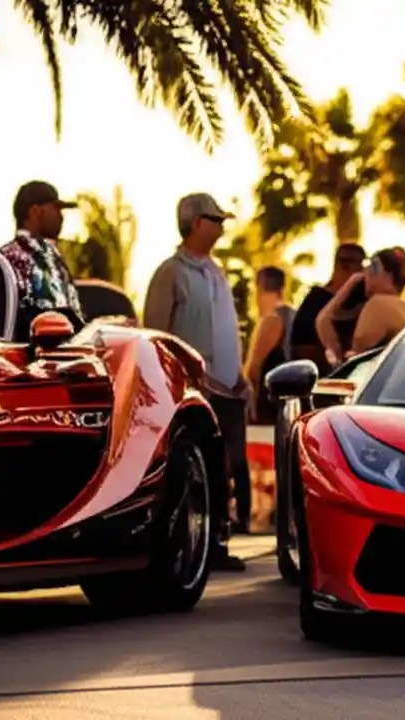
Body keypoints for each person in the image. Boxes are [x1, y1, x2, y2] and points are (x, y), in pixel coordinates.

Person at [143, 192, 249, 568]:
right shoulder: (172, 272)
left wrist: (241, 375)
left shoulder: (216, 272)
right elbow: (157, 333)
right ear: (196, 223)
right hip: (195, 392)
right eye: (215, 219)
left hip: (227, 389)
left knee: (226, 471)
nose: (221, 226)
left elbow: (226, 329)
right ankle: (190, 548)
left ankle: (217, 542)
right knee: (195, 472)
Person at [0, 180, 85, 341]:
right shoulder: (12, 258)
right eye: (56, 209)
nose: (61, 217)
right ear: (35, 211)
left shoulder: (52, 256)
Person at [317, 247, 405, 364]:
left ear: (387, 274)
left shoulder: (378, 304)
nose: (366, 275)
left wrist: (350, 284)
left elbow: (322, 322)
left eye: (372, 269)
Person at [287, 243, 366, 374]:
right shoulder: (316, 301)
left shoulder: (359, 300)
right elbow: (303, 348)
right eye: (360, 265)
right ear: (345, 265)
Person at [244, 266, 295, 425]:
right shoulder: (292, 315)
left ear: (258, 287)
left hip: (267, 409)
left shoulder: (272, 319)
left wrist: (249, 407)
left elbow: (253, 369)